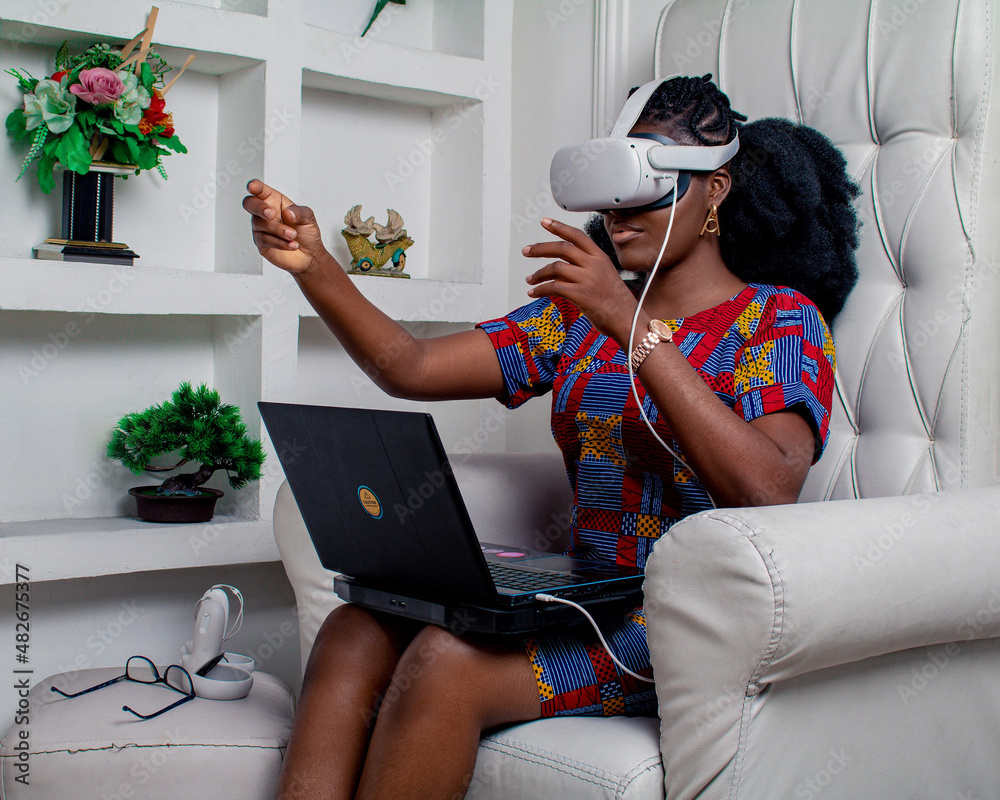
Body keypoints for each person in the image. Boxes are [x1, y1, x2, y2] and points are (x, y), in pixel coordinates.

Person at [243, 74, 860, 800]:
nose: (619, 216)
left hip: (682, 626)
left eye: (647, 190)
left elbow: (768, 487)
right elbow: (407, 367)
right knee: (354, 629)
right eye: (612, 192)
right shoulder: (578, 317)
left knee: (444, 660)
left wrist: (628, 324)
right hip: (582, 600)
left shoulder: (779, 319)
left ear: (714, 189)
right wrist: (316, 267)